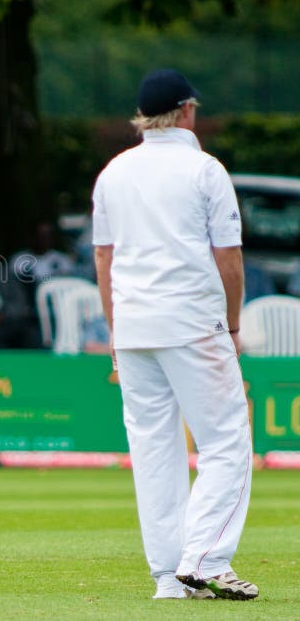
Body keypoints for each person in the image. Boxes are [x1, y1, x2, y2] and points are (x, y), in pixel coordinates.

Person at [92, 69, 257, 601]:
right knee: (227, 440)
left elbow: (103, 257)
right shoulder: (205, 170)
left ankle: (169, 576)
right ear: (187, 110)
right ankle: (205, 559)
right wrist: (233, 325)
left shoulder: (114, 172)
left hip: (135, 326)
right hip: (191, 322)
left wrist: (117, 330)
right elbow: (228, 259)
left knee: (153, 450)